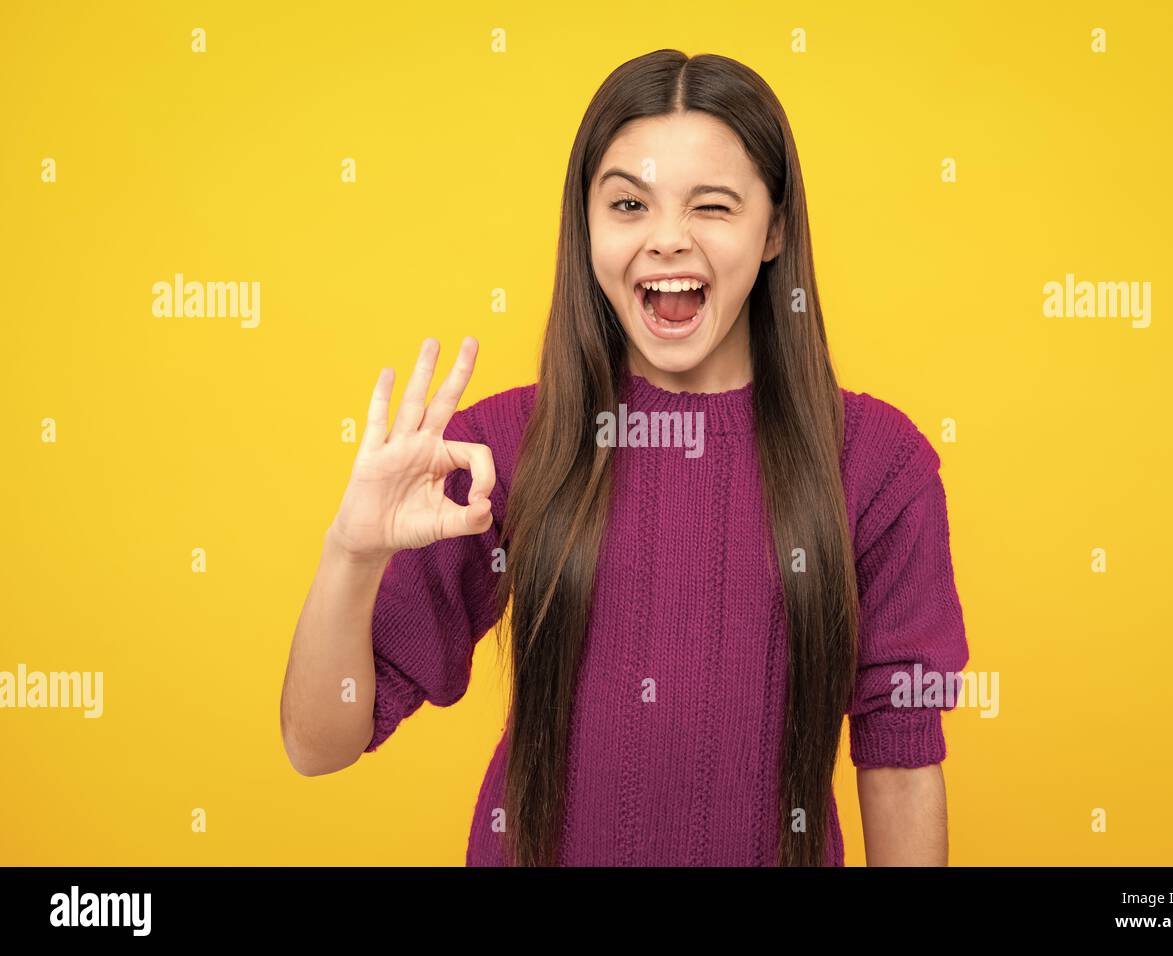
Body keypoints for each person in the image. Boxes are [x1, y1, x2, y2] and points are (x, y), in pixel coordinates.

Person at [280, 49, 969, 866]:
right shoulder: (504, 448)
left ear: (775, 227)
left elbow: (900, 757)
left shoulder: (878, 466)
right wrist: (351, 555)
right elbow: (318, 744)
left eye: (712, 207)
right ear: (588, 225)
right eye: (629, 205)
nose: (667, 240)